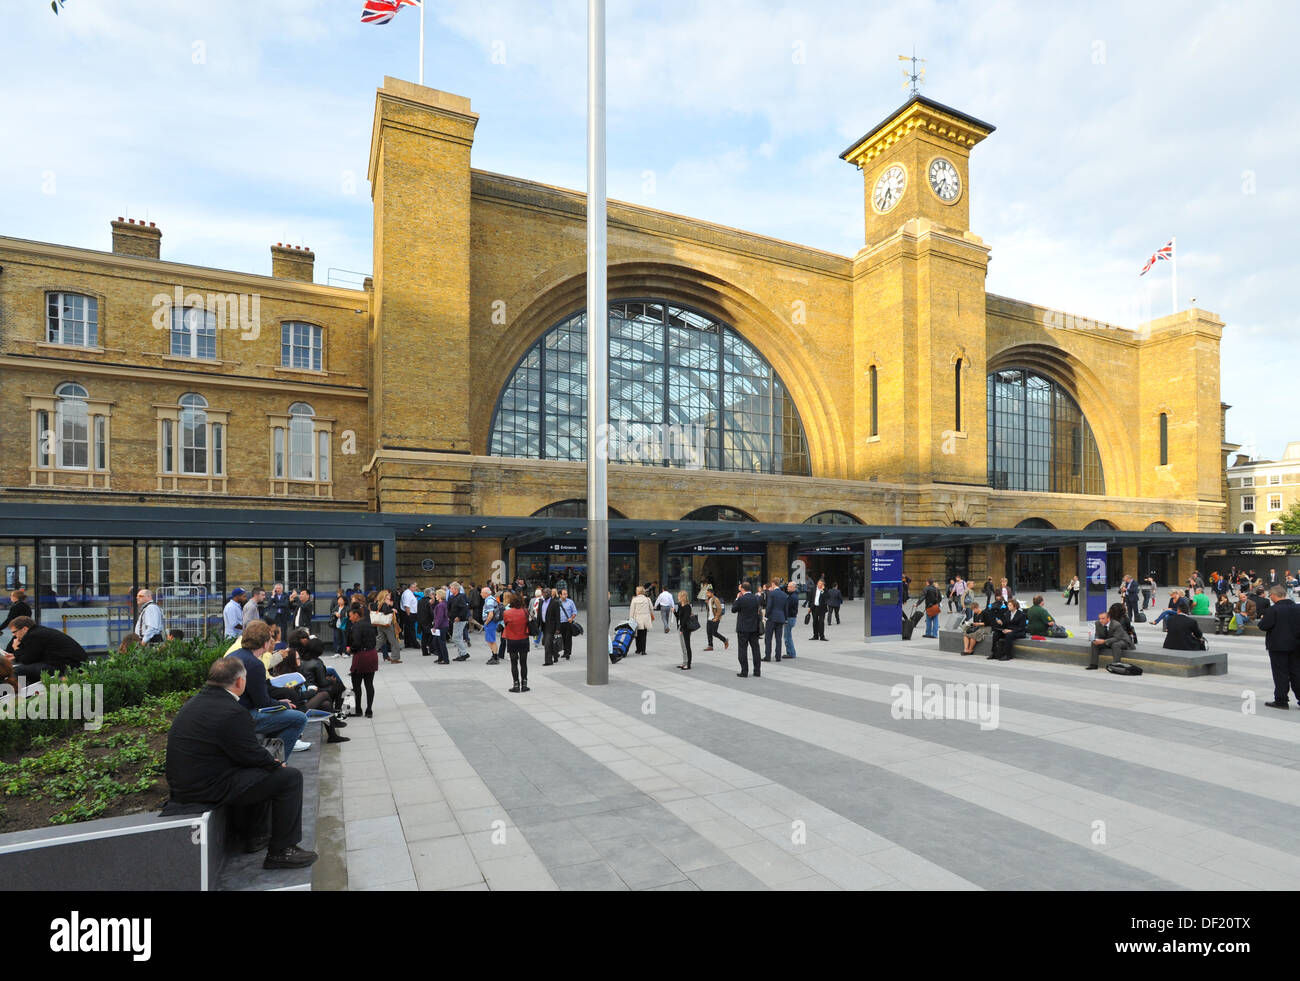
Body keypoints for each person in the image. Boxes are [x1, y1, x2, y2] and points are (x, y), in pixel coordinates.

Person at [163, 657, 318, 870]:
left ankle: (256, 835)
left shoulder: (196, 702)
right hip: (205, 788)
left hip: (187, 784)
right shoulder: (232, 711)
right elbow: (250, 754)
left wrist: (267, 763)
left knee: (261, 771)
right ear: (239, 683)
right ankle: (282, 851)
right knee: (289, 778)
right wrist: (275, 765)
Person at [226, 620, 309, 757]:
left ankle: (270, 756)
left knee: (282, 710)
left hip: (232, 712)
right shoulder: (255, 664)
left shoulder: (233, 656)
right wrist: (281, 703)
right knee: (299, 718)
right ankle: (277, 761)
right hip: (244, 716)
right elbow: (262, 702)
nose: (272, 641)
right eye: (270, 638)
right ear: (265, 643)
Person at [272, 641, 349, 744]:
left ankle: (333, 735)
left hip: (300, 703)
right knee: (324, 694)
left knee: (325, 704)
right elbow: (297, 696)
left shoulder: (295, 670)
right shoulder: (288, 676)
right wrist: (312, 692)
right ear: (292, 660)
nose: (300, 660)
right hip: (297, 707)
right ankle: (334, 720)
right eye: (298, 658)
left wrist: (309, 689)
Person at [3, 616, 89, 684]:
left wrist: (16, 649)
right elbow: (33, 654)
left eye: (15, 632)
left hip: (67, 668)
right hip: (71, 665)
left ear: (24, 629)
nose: (14, 635)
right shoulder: (38, 632)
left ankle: (16, 695)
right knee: (27, 669)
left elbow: (27, 660)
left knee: (17, 671)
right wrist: (15, 656)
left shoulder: (34, 636)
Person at [1259, 585, 1300, 710]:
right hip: (1296, 646)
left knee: (1280, 673)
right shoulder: (1297, 608)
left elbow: (1263, 626)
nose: (1270, 597)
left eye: (1270, 595)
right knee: (1296, 672)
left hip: (1278, 647)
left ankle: (1281, 700)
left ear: (1274, 595)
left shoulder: (1273, 609)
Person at [344, 603, 379, 718]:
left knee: (356, 684)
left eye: (350, 616)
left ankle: (358, 709)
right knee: (369, 684)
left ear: (356, 615)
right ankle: (369, 710)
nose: (350, 618)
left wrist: (350, 649)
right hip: (372, 654)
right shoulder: (369, 624)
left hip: (361, 656)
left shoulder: (356, 626)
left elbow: (356, 643)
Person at [501, 592, 531, 693]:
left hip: (512, 639)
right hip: (524, 638)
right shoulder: (525, 611)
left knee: (514, 663)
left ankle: (516, 685)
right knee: (524, 663)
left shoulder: (507, 613)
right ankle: (524, 684)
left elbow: (505, 623)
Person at [731, 581, 762, 678]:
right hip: (754, 628)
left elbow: (733, 610)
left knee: (742, 650)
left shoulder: (741, 599)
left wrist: (737, 598)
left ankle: (744, 671)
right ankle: (757, 671)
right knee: (756, 649)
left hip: (743, 628)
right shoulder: (756, 598)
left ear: (742, 589)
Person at [372, 589, 401, 664]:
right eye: (388, 594)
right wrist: (392, 610)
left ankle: (370, 654)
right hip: (387, 624)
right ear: (385, 596)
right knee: (393, 641)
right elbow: (386, 612)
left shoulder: (379, 603)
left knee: (379, 640)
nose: (390, 595)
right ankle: (395, 658)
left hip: (380, 624)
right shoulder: (384, 604)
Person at [762, 579, 786, 661]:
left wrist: (766, 616)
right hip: (780, 618)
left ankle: (767, 656)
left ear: (773, 584)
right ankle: (778, 657)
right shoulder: (784, 594)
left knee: (768, 638)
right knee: (778, 638)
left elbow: (769, 606)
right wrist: (785, 618)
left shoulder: (771, 593)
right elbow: (786, 608)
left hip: (772, 618)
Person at [447, 582, 470, 662]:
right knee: (459, 637)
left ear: (456, 589)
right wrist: (449, 616)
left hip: (460, 620)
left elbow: (464, 608)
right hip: (454, 619)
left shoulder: (461, 597)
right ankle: (460, 654)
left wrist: (459, 617)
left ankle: (464, 653)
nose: (450, 589)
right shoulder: (451, 597)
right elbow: (449, 608)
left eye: (452, 588)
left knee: (455, 637)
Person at [674, 590, 697, 670]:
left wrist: (682, 628)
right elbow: (679, 616)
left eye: (679, 596)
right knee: (683, 646)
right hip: (681, 627)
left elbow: (685, 618)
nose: (678, 597)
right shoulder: (681, 605)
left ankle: (688, 664)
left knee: (687, 646)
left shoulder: (687, 606)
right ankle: (684, 662)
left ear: (683, 597)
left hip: (686, 629)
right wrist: (674, 612)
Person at [541, 588, 562, 666]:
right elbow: (540, 614)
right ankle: (555, 654)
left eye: (545, 593)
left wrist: (558, 628)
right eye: (543, 593)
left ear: (549, 594)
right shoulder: (541, 602)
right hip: (544, 626)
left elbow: (558, 616)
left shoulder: (555, 603)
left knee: (547, 643)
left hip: (551, 626)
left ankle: (548, 661)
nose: (543, 594)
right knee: (547, 642)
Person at [629, 586, 653, 655]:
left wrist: (631, 619)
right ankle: (643, 650)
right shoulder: (647, 599)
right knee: (644, 635)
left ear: (638, 592)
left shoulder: (634, 599)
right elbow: (651, 608)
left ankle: (638, 649)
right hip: (645, 619)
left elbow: (632, 610)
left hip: (637, 619)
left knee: (637, 635)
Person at [556, 588, 578, 660]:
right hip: (560, 623)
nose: (566, 595)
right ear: (560, 595)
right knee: (562, 638)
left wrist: (571, 618)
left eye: (566, 594)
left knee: (568, 638)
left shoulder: (570, 602)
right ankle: (564, 651)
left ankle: (567, 653)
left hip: (568, 623)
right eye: (564, 594)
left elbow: (574, 612)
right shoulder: (557, 602)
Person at [481, 586, 501, 665]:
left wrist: (486, 623)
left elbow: (490, 614)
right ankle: (494, 655)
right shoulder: (491, 599)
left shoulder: (489, 601)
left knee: (491, 640)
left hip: (490, 622)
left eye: (482, 593)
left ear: (486, 593)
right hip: (491, 622)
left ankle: (495, 657)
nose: (481, 594)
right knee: (490, 640)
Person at [430, 588, 451, 663]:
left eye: (436, 595)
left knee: (441, 643)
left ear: (440, 596)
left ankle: (445, 659)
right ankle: (441, 657)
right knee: (436, 642)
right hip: (442, 625)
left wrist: (435, 627)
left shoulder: (441, 605)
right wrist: (432, 605)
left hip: (441, 626)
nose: (435, 596)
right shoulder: (442, 604)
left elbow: (439, 617)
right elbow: (436, 612)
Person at [399, 583, 420, 651]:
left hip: (410, 613)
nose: (415, 588)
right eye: (414, 587)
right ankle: (414, 643)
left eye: (416, 586)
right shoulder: (408, 593)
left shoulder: (409, 593)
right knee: (411, 629)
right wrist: (409, 614)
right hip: (409, 613)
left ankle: (408, 643)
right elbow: (406, 605)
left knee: (408, 629)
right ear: (410, 587)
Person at [417, 587, 436, 657]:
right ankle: (432, 649)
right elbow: (431, 612)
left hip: (421, 621)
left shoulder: (420, 601)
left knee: (424, 637)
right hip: (428, 621)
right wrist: (434, 619)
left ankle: (424, 651)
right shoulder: (429, 601)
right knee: (431, 636)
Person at [782, 581, 800, 658]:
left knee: (787, 636)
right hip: (791, 617)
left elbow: (787, 607)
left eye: (789, 587)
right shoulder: (793, 595)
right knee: (787, 635)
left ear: (793, 587)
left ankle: (791, 653)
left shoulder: (793, 596)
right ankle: (791, 652)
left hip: (790, 618)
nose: (787, 588)